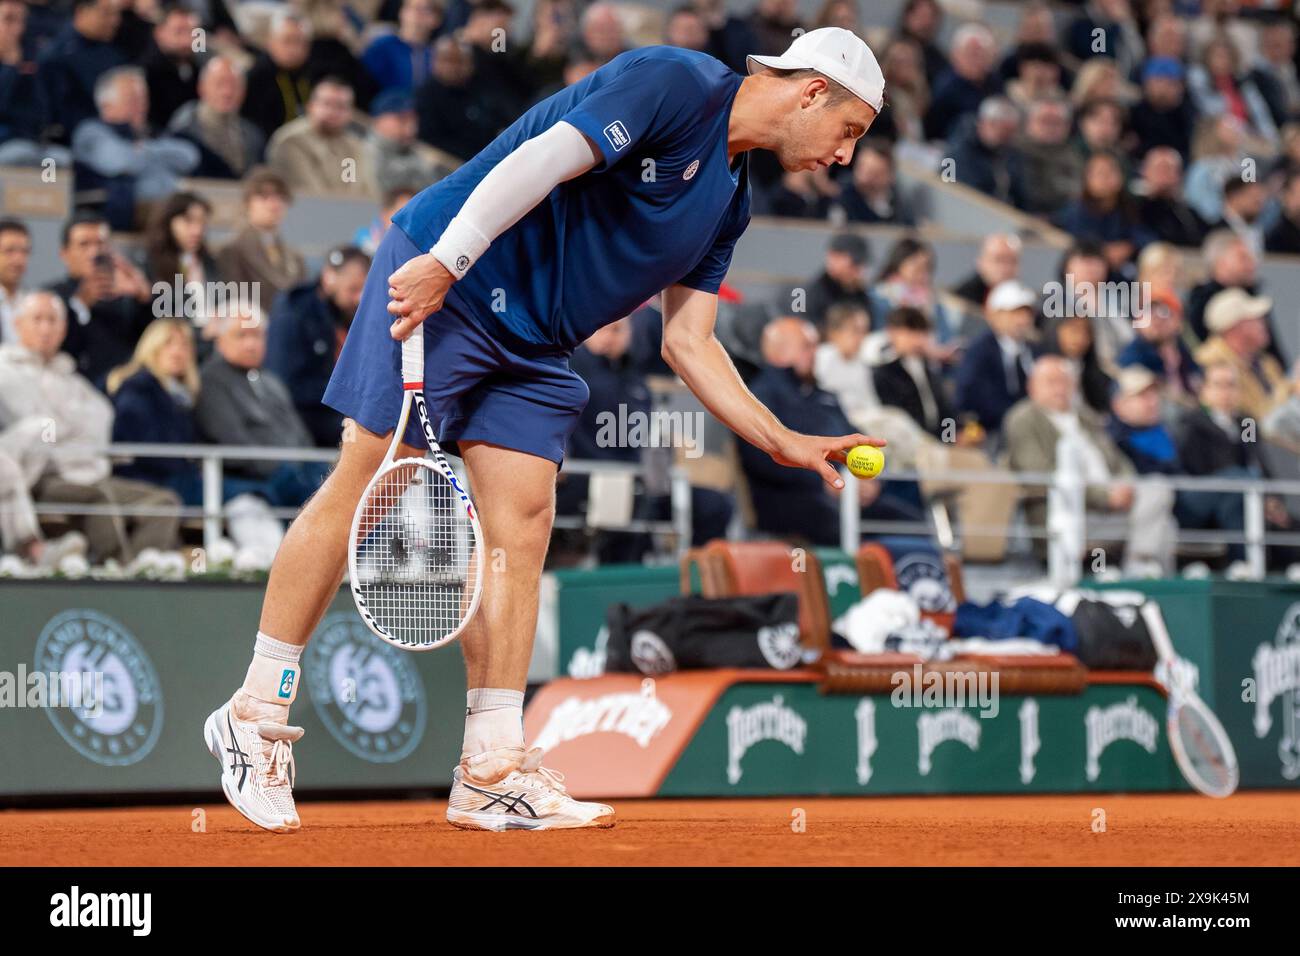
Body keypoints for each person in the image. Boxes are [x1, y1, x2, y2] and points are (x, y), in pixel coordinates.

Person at [203, 28, 887, 834]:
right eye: (848, 132)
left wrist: (782, 439)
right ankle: (254, 711)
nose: (844, 158)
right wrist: (448, 261)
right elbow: (541, 160)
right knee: (368, 480)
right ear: (812, 91)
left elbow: (688, 342)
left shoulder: (729, 203)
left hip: (536, 342)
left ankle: (490, 767)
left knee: (522, 524)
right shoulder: (676, 82)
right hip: (453, 279)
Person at [0, 291, 180, 563]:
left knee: (163, 504)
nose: (45, 328)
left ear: (63, 330)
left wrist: (62, 431)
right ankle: (119, 579)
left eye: (52, 321)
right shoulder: (5, 373)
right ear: (17, 325)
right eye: (37, 319)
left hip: (91, 472)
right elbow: (37, 431)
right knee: (98, 499)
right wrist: (64, 431)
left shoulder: (72, 379)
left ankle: (136, 573)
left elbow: (100, 421)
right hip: (38, 479)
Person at [1004, 355, 1176, 573]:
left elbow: (1119, 462)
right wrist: (1104, 497)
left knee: (1158, 492)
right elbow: (1040, 476)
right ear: (1032, 387)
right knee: (1162, 523)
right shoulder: (1024, 419)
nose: (1060, 388)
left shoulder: (1085, 417)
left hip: (1113, 503)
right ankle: (1139, 570)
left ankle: (1155, 586)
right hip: (1071, 511)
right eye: (1051, 382)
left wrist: (1125, 487)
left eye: (1065, 381)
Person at [264, 245, 370, 448]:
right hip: (303, 423)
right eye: (353, 289)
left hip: (338, 414)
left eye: (363, 291)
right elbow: (283, 383)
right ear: (329, 277)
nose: (358, 298)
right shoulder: (295, 311)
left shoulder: (348, 314)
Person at [45, 212, 153, 388]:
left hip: (127, 389)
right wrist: (80, 305)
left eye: (100, 243)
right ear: (64, 254)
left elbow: (152, 342)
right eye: (84, 244)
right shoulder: (52, 298)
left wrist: (144, 299)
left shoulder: (126, 296)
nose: (94, 252)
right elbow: (58, 351)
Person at [215, 169, 307, 321]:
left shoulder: (295, 257)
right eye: (264, 196)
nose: (274, 204)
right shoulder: (232, 250)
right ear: (247, 203)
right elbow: (237, 303)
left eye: (280, 197)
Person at [954, 280, 1036, 436]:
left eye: (1027, 313)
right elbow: (970, 397)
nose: (1022, 320)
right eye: (1014, 313)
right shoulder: (979, 353)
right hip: (992, 431)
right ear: (994, 315)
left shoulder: (1035, 352)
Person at [1193, 288, 1290, 421]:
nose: (1264, 324)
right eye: (1256, 319)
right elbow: (1249, 419)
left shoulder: (1265, 362)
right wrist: (1291, 389)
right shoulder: (1211, 362)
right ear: (1235, 326)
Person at [267, 76, 371, 198]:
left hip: (345, 213)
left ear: (350, 113)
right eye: (327, 104)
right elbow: (312, 195)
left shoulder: (354, 146)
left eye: (341, 106)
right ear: (310, 106)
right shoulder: (291, 141)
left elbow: (358, 190)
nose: (333, 111)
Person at [167, 55, 267, 180]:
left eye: (234, 85)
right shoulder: (184, 129)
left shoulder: (254, 136)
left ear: (244, 92)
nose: (227, 92)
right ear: (201, 88)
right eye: (219, 84)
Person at [872, 305, 954, 437]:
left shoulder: (927, 368)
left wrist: (950, 437)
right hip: (911, 443)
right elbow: (897, 419)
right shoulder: (884, 373)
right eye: (910, 333)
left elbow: (946, 410)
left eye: (921, 333)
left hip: (940, 440)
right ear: (892, 333)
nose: (917, 340)